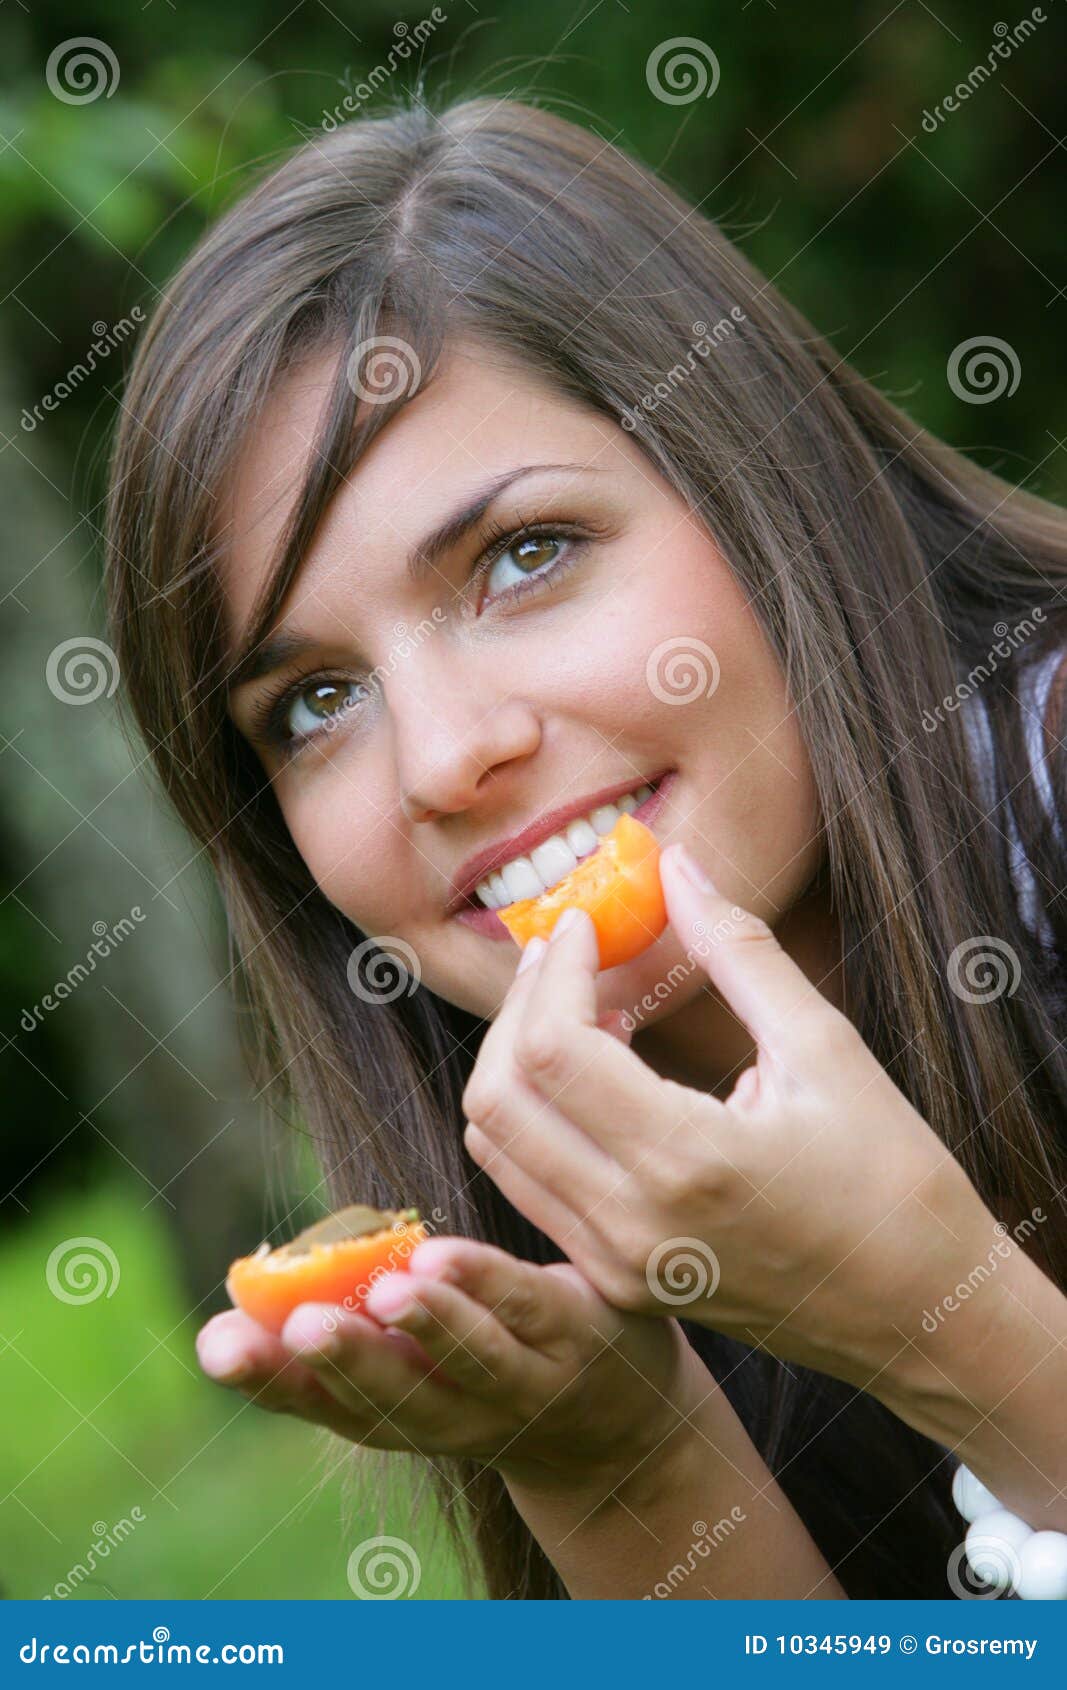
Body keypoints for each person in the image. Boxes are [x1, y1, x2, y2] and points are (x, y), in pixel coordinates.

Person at [103, 95, 1067, 1600]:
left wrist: (932, 1312)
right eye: (316, 703)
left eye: (523, 555)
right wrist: (620, 1460)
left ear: (758, 479)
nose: (441, 757)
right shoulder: (550, 1221)